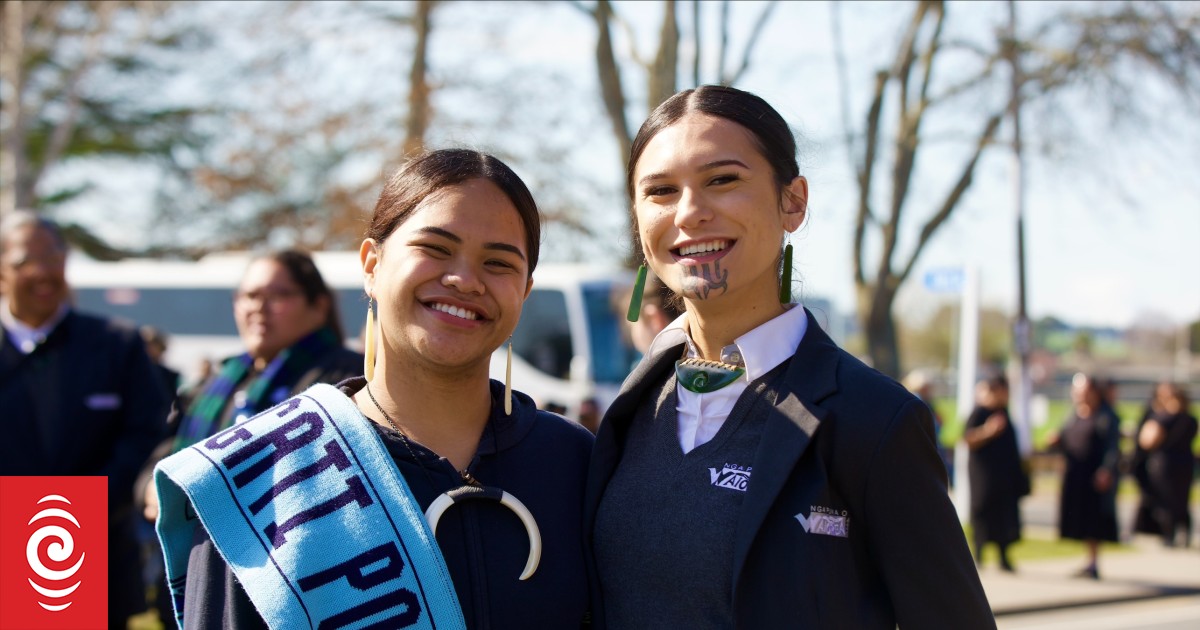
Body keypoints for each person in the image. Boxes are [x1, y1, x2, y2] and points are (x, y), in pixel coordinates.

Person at [586, 85, 993, 628]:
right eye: (659, 192)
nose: (689, 213)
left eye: (722, 180)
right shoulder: (630, 411)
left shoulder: (876, 421)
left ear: (792, 201)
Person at [153, 149, 594, 628]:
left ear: (525, 290)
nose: (465, 280)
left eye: (499, 263)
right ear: (371, 264)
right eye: (436, 248)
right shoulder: (260, 479)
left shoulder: (577, 463)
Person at [136, 248, 363, 625]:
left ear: (318, 305)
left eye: (277, 295)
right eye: (248, 296)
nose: (258, 307)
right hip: (197, 573)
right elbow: (162, 454)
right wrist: (151, 488)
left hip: (281, 586)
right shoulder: (218, 379)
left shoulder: (342, 379)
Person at [0, 210, 169, 629]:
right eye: (25, 261)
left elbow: (150, 434)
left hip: (94, 552)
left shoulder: (116, 345)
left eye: (53, 258)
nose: (42, 272)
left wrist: (78, 507)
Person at [1048, 373, 1121, 579]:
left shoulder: (1106, 416)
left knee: (1094, 519)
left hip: (1094, 476)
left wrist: (1107, 470)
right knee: (1079, 517)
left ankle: (1093, 561)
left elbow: (1112, 448)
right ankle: (1087, 560)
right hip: (1075, 474)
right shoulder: (1074, 414)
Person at [962, 375, 1025, 572]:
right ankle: (978, 554)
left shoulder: (1004, 413)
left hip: (1004, 476)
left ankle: (1003, 555)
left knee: (1004, 515)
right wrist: (988, 431)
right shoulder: (979, 413)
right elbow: (967, 439)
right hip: (984, 475)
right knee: (982, 510)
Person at [1132, 381, 1197, 547]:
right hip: (1185, 464)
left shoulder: (1162, 417)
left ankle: (1169, 535)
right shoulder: (1190, 418)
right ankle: (1184, 533)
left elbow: (1148, 440)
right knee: (1182, 500)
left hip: (1164, 464)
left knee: (1164, 501)